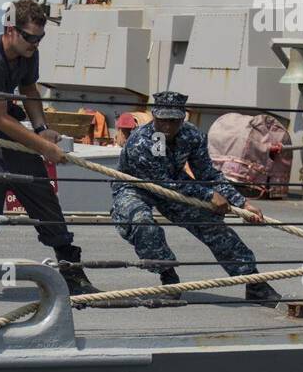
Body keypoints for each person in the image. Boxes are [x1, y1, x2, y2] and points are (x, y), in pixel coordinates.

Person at [0, 0, 97, 294]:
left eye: (40, 38)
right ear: (10, 30)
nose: (35, 44)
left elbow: (28, 89)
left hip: (0, 122)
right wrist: (43, 146)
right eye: (30, 37)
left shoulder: (26, 53)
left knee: (39, 185)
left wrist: (41, 127)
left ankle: (68, 265)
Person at [111, 91, 280, 304]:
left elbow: (208, 174)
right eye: (163, 120)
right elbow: (161, 182)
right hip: (136, 186)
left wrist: (242, 202)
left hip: (175, 184)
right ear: (154, 116)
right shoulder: (141, 141)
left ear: (183, 118)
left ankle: (255, 283)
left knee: (211, 224)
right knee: (141, 222)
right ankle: (169, 278)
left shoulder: (192, 136)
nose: (168, 127)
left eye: (174, 121)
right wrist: (210, 195)